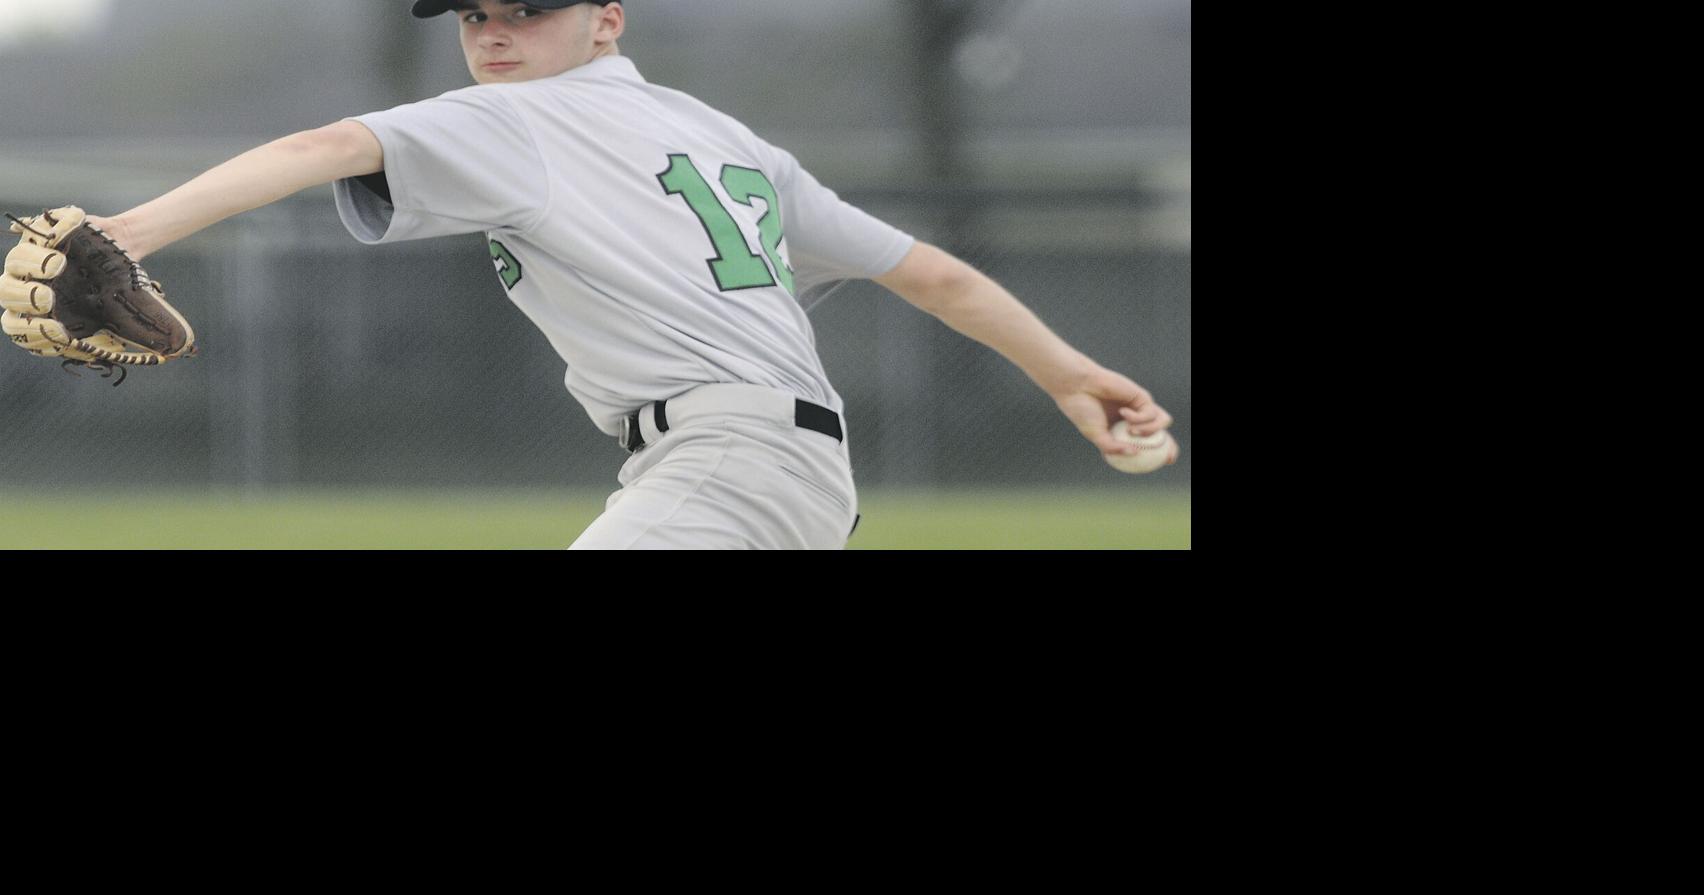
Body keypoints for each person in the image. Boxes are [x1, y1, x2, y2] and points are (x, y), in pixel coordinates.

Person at [86, 0, 1175, 549]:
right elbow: (932, 273)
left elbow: (324, 145)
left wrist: (128, 231)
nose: (496, 35)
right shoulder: (726, 139)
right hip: (786, 471)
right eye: (474, 15)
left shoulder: (513, 117)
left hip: (730, 459)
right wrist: (1070, 373)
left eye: (530, 9)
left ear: (606, 18)